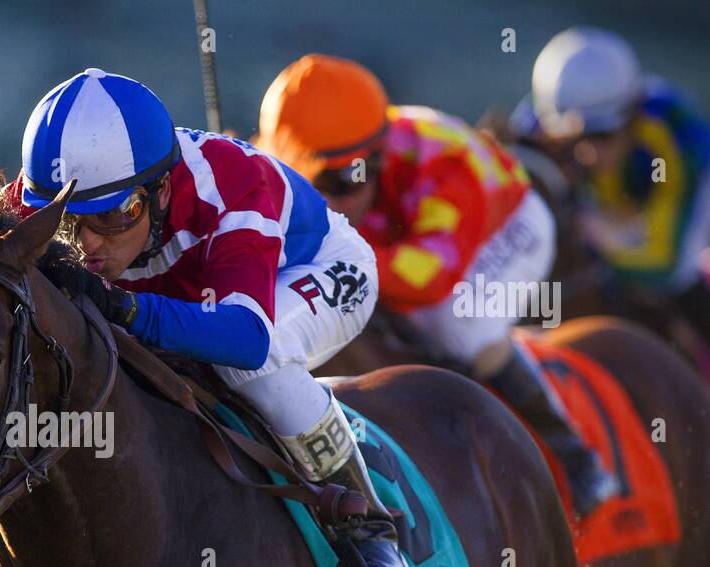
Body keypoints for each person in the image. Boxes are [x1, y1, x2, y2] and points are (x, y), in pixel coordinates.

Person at [4, 68, 409, 567]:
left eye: (113, 215)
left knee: (246, 370)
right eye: (63, 223)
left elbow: (247, 338)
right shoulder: (38, 201)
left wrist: (126, 307)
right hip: (200, 292)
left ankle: (368, 527)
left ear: (161, 188)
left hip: (320, 272)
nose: (87, 245)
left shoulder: (232, 187)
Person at [257, 54, 619, 516]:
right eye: (304, 183)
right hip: (405, 233)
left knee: (457, 322)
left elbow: (426, 277)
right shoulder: (333, 146)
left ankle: (576, 458)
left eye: (338, 181)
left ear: (376, 158)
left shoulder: (442, 171)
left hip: (506, 226)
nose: (323, 200)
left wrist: (333, 251)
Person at [510, 26, 710, 331]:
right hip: (611, 223)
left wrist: (591, 240)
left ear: (633, 114)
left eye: (602, 135)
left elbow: (667, 268)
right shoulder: (530, 130)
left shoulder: (676, 134)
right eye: (572, 142)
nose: (588, 153)